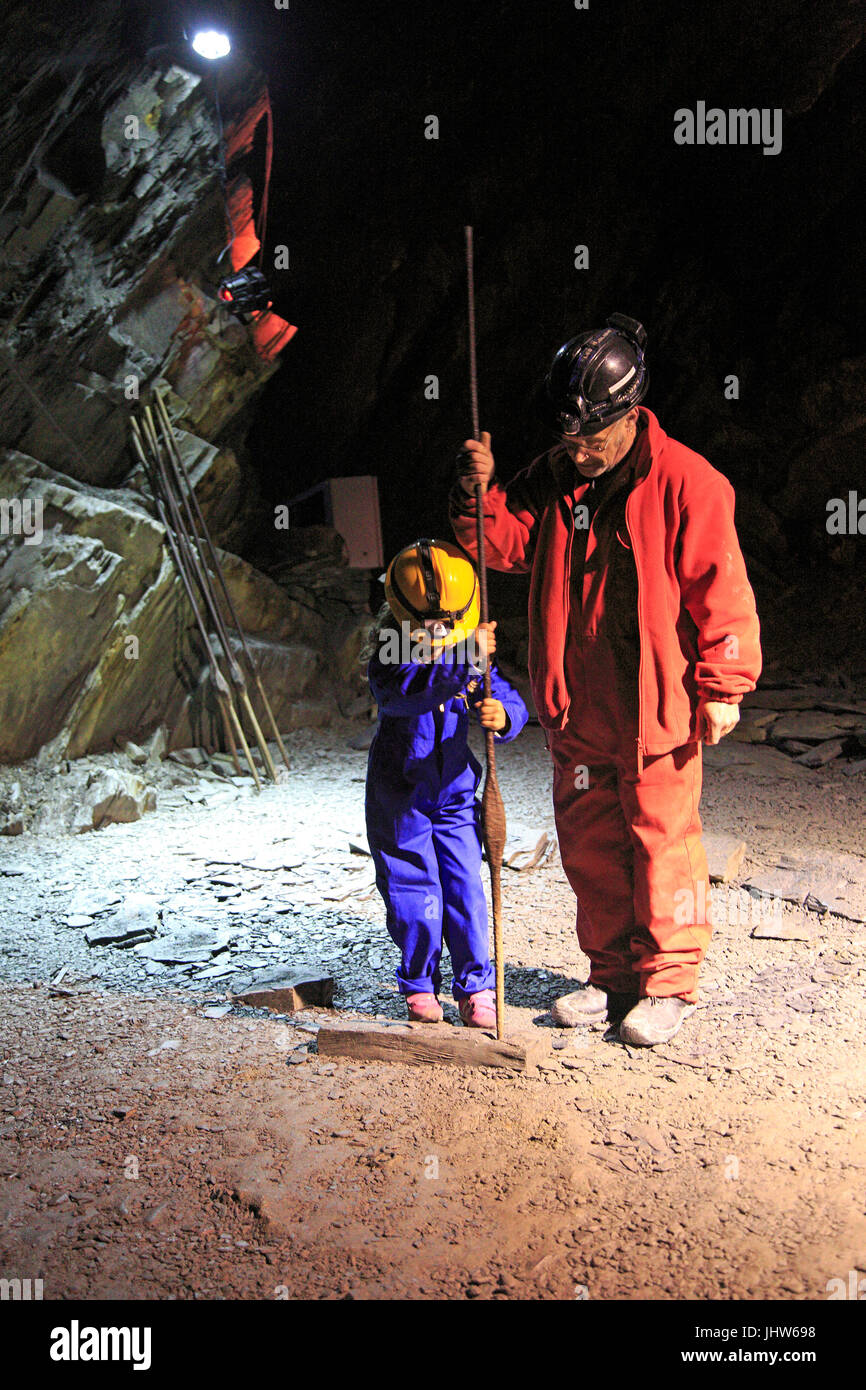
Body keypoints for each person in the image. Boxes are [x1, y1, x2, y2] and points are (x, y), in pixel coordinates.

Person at [451, 314, 761, 1046]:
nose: (580, 450)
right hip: (578, 702)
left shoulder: (690, 482)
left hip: (656, 703)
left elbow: (723, 588)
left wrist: (725, 684)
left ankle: (669, 981)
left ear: (630, 414)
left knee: (662, 837)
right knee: (590, 838)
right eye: (570, 438)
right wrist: (478, 493)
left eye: (592, 437)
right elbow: (499, 546)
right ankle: (611, 975)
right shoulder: (555, 479)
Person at [363, 538, 528, 1028]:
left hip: (456, 796)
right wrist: (464, 659)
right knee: (414, 891)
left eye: (445, 623)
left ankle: (476, 986)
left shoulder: (466, 651)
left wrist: (506, 715)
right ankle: (418, 982)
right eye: (428, 625)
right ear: (401, 617)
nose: (437, 630)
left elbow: (502, 692)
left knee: (465, 891)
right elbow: (409, 693)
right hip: (401, 797)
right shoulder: (391, 658)